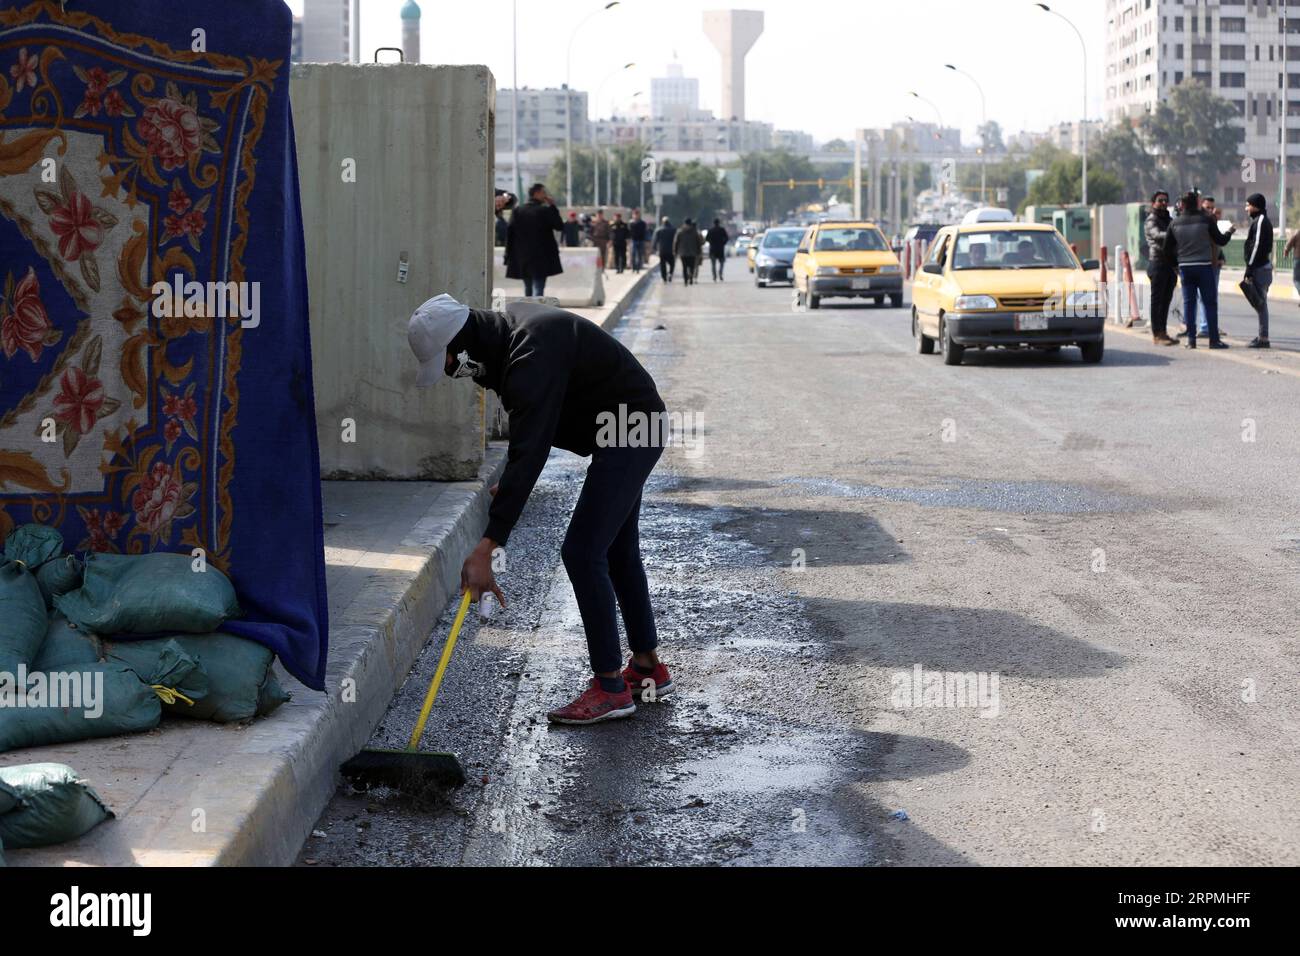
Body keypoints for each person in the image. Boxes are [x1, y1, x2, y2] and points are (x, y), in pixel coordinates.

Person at [407, 294, 673, 725]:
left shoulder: (528, 350)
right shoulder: (507, 341)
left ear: (463, 344)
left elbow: (531, 446)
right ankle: (647, 668)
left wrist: (489, 544)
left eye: (451, 363)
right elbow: (532, 435)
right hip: (624, 428)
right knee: (616, 551)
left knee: (583, 553)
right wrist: (512, 483)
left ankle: (610, 688)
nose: (454, 374)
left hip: (631, 430)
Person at [1163, 190, 1233, 349]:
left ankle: (1191, 340)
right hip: (1204, 268)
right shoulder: (1206, 220)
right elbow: (1220, 240)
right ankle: (1214, 340)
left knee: (1189, 304)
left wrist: (1176, 265)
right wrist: (1229, 232)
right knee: (1210, 303)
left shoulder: (1175, 223)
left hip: (1185, 269)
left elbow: (1166, 249)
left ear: (1182, 205)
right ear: (1197, 203)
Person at [504, 183, 563, 297]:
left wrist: (507, 255)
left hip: (523, 257)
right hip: (541, 257)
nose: (545, 195)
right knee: (539, 288)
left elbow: (510, 234)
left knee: (528, 288)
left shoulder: (518, 211)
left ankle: (528, 311)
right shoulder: (544, 211)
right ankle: (537, 311)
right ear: (537, 193)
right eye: (543, 192)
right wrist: (552, 206)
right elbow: (559, 226)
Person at [1144, 190, 1179, 346]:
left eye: (1166, 200)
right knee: (1157, 301)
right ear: (1154, 203)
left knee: (1166, 301)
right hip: (1157, 263)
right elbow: (1157, 236)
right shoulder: (1152, 220)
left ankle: (1163, 332)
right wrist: (1174, 233)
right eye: (1160, 200)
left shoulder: (1169, 219)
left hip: (1170, 264)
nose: (1163, 203)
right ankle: (1156, 334)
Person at [1242, 192, 1274, 349]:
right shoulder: (1259, 220)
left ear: (1255, 206)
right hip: (1260, 267)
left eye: (1248, 205)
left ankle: (1263, 338)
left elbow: (1257, 245)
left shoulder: (1261, 221)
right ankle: (1263, 336)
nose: (1246, 208)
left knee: (1260, 304)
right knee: (1260, 304)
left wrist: (1250, 267)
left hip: (1260, 268)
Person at [1193, 195, 1228, 337]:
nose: (1211, 210)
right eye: (1207, 207)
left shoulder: (1212, 222)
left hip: (1213, 264)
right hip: (1203, 264)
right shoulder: (1201, 222)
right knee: (1201, 297)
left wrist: (1221, 258)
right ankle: (1205, 327)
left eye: (1212, 208)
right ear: (1201, 207)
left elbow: (1217, 244)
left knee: (1210, 298)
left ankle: (1209, 326)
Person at [674, 217, 702, 285]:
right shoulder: (694, 232)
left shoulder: (680, 231)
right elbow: (698, 242)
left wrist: (675, 251)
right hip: (693, 252)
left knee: (684, 266)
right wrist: (699, 251)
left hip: (683, 252)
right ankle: (691, 277)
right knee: (691, 266)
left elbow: (676, 242)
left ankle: (685, 279)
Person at [654, 216, 676, 282]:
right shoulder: (673, 230)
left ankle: (664, 277)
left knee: (662, 264)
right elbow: (676, 240)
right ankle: (670, 273)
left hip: (662, 250)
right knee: (672, 263)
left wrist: (654, 249)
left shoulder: (659, 230)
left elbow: (655, 240)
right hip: (670, 250)